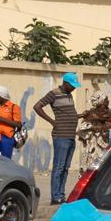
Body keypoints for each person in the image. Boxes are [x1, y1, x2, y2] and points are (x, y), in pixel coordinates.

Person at [32, 72, 83, 205]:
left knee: (66, 168)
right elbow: (37, 107)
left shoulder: (69, 94)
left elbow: (68, 114)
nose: (74, 88)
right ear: (65, 83)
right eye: (72, 86)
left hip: (71, 136)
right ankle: (55, 197)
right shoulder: (54, 94)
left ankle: (61, 194)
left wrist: (82, 115)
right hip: (61, 136)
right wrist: (51, 121)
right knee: (59, 167)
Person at [0, 86, 24, 160]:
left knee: (6, 160)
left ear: (2, 96)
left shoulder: (13, 107)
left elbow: (18, 124)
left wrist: (0, 119)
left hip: (7, 137)